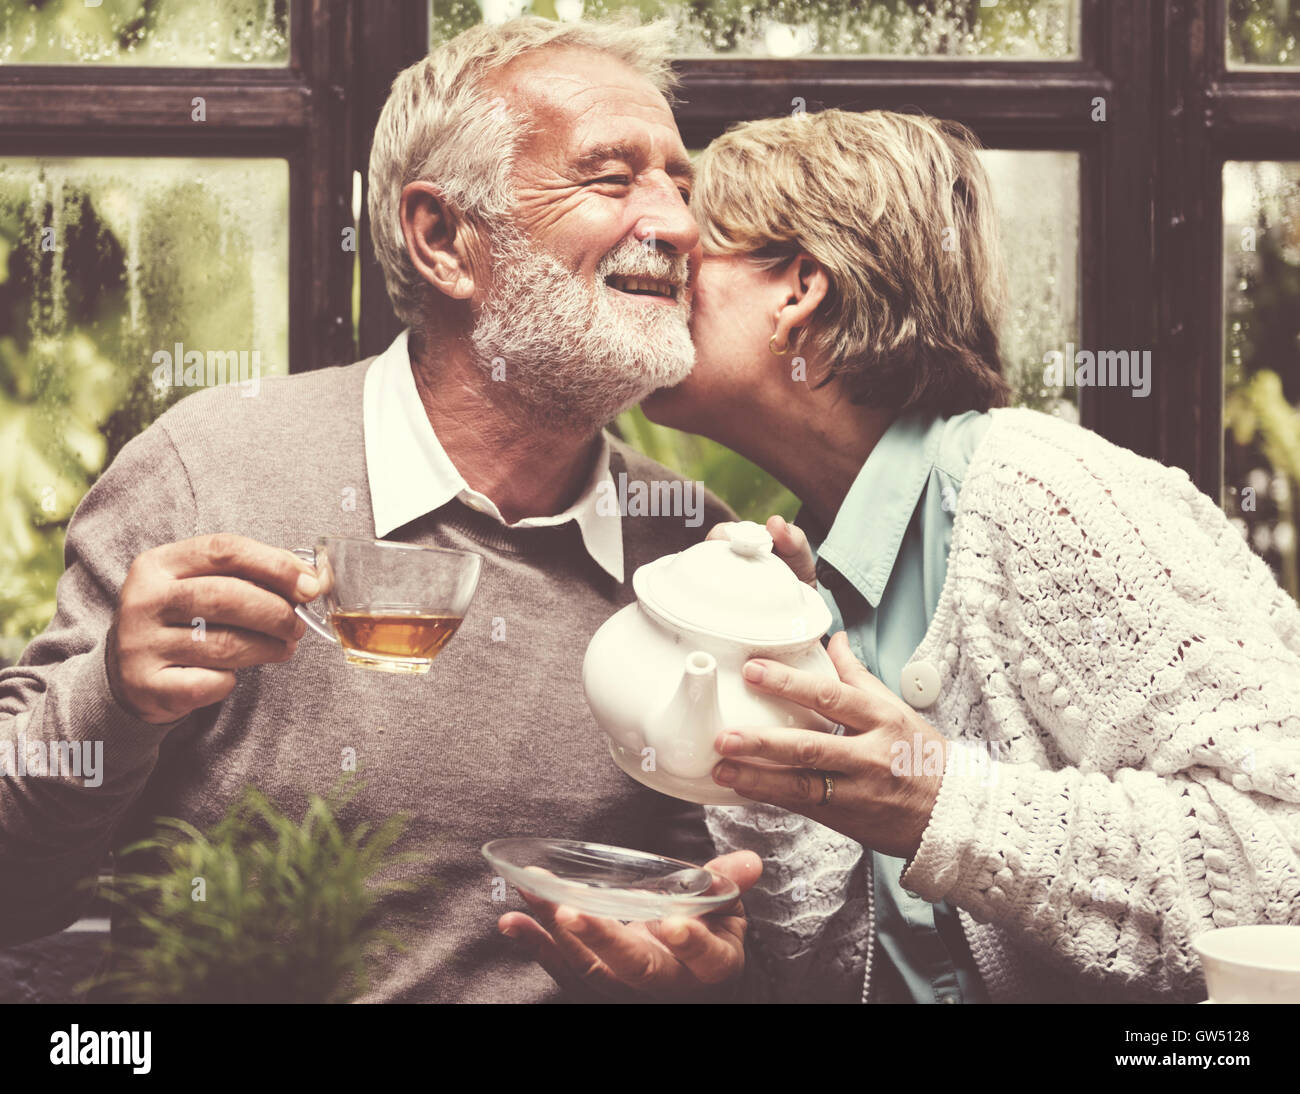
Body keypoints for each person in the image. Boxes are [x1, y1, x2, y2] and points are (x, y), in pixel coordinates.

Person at [0, 16, 762, 1003]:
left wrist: (700, 970)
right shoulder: (211, 466)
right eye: (612, 179)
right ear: (442, 237)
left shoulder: (698, 552)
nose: (677, 223)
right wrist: (114, 692)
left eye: (679, 182)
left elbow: (705, 904)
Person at [641, 108, 1300, 1002]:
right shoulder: (809, 566)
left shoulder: (1041, 489)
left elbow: (1282, 864)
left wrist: (940, 799)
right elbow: (854, 973)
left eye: (692, 256)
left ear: (798, 290)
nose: (658, 280)